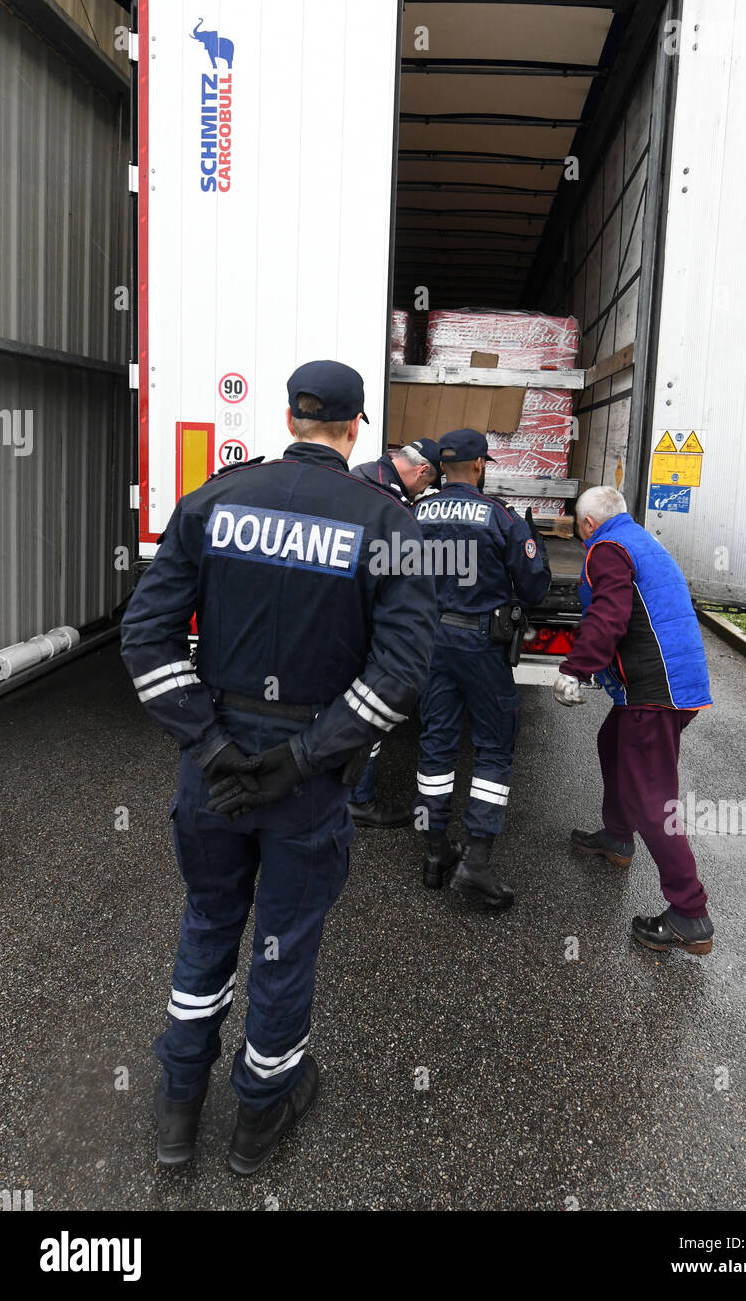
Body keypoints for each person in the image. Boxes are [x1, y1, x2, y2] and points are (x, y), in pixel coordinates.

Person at [120, 360, 436, 1173]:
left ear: (290, 416)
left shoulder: (214, 501)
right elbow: (399, 674)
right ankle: (260, 1118)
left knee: (208, 924)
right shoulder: (386, 523)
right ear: (357, 427)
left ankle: (176, 1115)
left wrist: (209, 741)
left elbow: (147, 638)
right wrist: (303, 757)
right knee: (284, 944)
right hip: (304, 780)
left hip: (215, 769)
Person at [552, 485, 714, 956]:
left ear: (586, 525)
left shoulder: (606, 549)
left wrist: (575, 669)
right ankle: (617, 838)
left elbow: (610, 614)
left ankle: (690, 913)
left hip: (655, 692)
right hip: (670, 684)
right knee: (611, 742)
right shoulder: (642, 539)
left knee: (651, 797)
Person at [413, 428, 551, 909]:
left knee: (436, 743)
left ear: (442, 467)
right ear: (478, 466)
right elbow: (534, 588)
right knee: (493, 747)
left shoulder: (416, 511)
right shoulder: (500, 518)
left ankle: (434, 852)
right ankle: (476, 861)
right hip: (479, 643)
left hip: (429, 641)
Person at [346, 438, 443, 826]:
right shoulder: (392, 504)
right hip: (363, 618)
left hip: (340, 611)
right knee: (369, 706)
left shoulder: (358, 475)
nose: (425, 492)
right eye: (428, 483)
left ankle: (333, 789)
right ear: (421, 471)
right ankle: (357, 799)